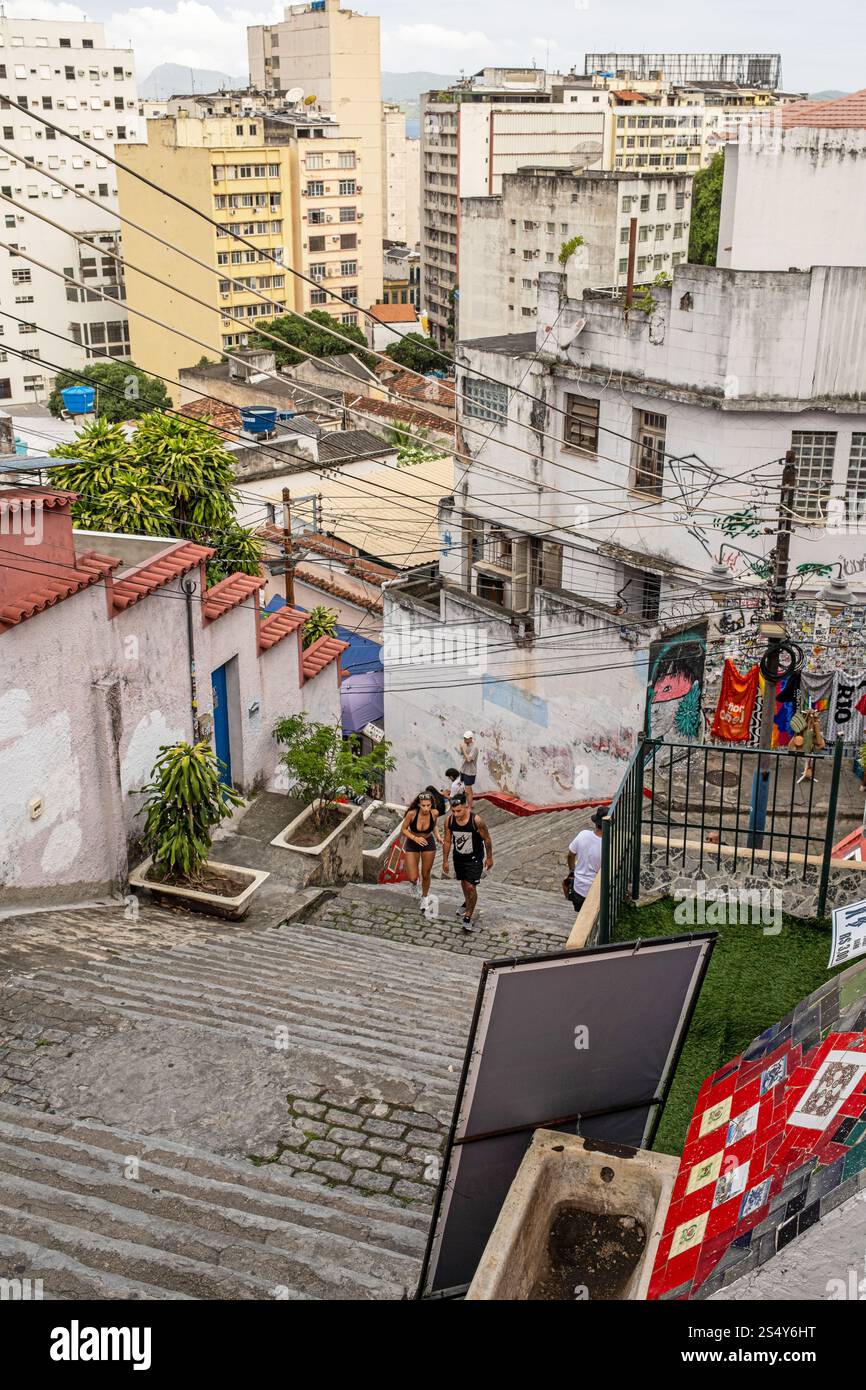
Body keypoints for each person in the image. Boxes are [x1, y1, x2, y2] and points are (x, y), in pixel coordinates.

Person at [442, 792, 493, 932]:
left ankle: (468, 915)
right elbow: (447, 841)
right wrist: (445, 860)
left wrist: (489, 857)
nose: (456, 814)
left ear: (466, 807)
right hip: (458, 857)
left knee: (471, 887)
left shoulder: (476, 821)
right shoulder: (449, 820)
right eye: (453, 811)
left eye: (459, 811)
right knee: (464, 883)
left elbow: (487, 839)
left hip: (474, 858)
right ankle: (467, 902)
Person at [399, 791, 440, 913]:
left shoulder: (434, 813)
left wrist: (437, 836)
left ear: (431, 804)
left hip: (428, 842)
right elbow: (404, 829)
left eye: (428, 805)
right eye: (423, 805)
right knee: (412, 877)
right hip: (413, 842)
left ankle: (425, 897)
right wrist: (415, 838)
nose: (426, 808)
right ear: (418, 804)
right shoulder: (412, 814)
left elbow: (434, 826)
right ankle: (414, 883)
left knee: (426, 873)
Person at [565, 806, 605, 914]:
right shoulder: (609, 844)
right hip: (596, 891)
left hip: (579, 888)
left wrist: (572, 870)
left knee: (579, 914)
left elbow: (570, 855)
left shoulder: (583, 834)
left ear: (596, 823)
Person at [458, 731, 478, 807]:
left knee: (467, 789)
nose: (464, 740)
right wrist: (462, 749)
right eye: (464, 738)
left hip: (470, 771)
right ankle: (469, 804)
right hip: (464, 770)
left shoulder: (474, 747)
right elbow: (462, 755)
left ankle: (469, 806)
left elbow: (469, 759)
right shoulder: (466, 745)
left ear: (471, 738)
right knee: (467, 789)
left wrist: (463, 749)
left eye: (466, 738)